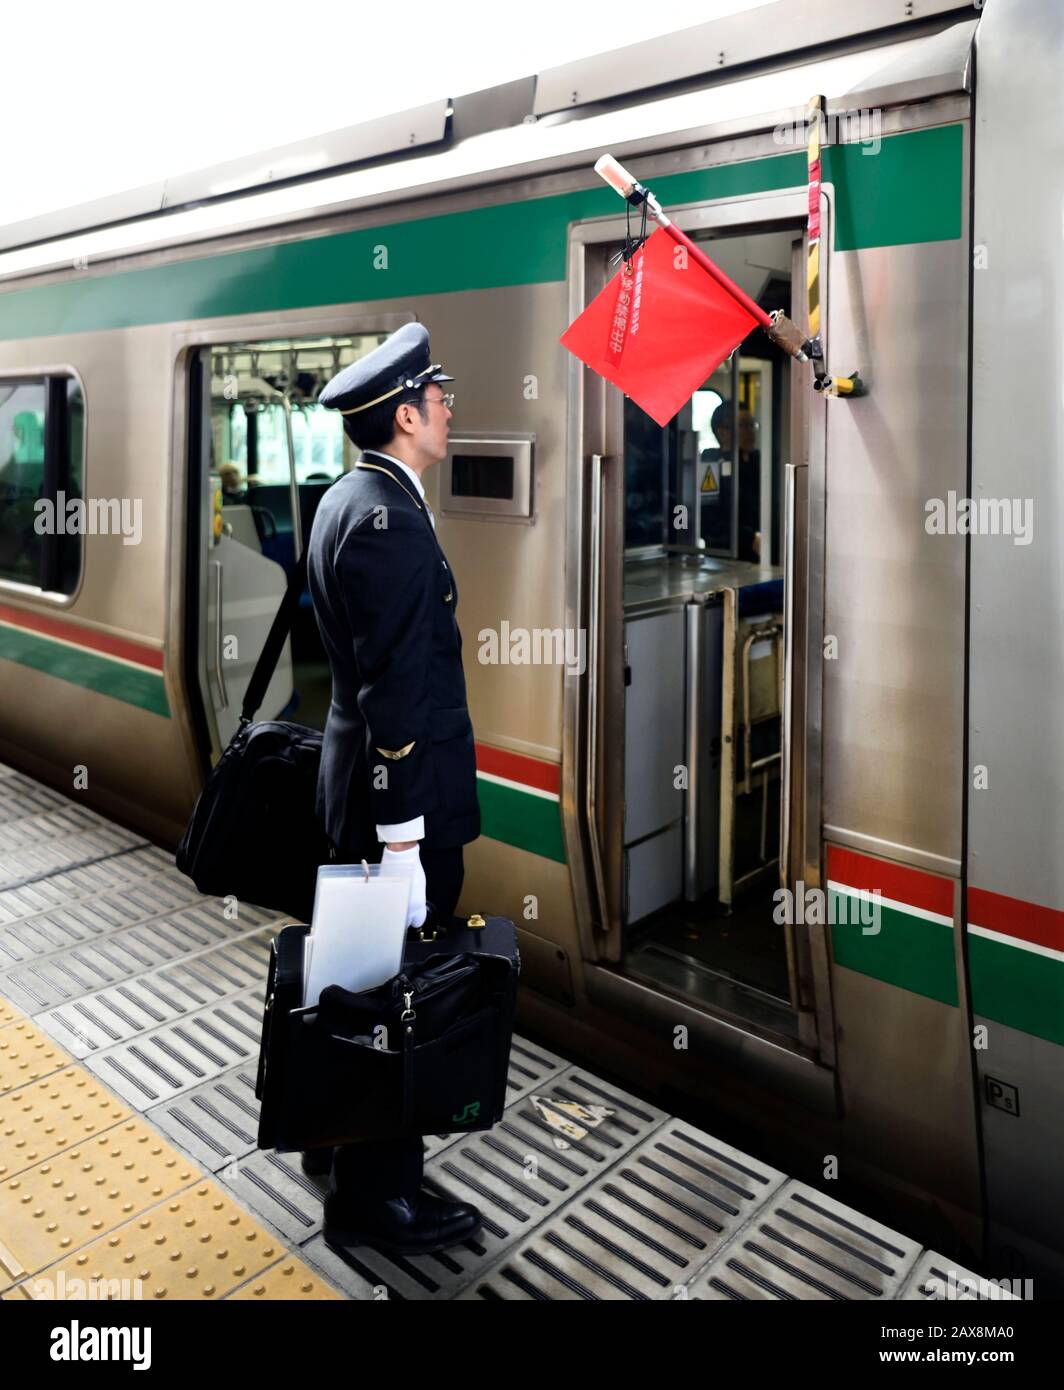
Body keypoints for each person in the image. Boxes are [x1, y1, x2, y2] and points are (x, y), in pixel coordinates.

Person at [304, 322, 483, 1256]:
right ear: (405, 415)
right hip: (394, 815)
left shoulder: (347, 501)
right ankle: (378, 1202)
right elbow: (397, 691)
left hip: (359, 797)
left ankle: (336, 1144)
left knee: (355, 982)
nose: (451, 408)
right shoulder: (394, 528)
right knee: (395, 997)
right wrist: (407, 843)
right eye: (440, 396)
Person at [700, 401, 762, 562]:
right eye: (742, 425)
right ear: (722, 432)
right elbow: (709, 524)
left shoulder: (759, 462)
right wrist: (750, 539)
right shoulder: (709, 468)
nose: (750, 432)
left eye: (752, 425)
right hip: (726, 558)